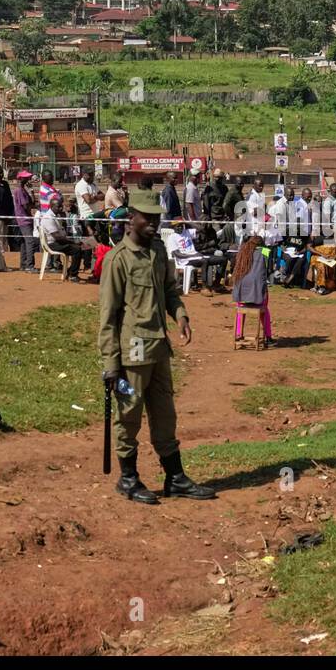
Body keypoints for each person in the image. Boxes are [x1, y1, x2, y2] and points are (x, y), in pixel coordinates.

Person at [98, 193, 213, 505]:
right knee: (129, 417)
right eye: (147, 218)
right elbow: (107, 317)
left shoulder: (159, 251)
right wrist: (110, 364)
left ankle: (175, 478)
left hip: (159, 348)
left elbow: (168, 290)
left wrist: (181, 316)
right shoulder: (118, 259)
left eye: (157, 219)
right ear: (131, 217)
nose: (153, 224)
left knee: (165, 416)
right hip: (132, 353)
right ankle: (129, 479)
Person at [231, 233, 274, 344]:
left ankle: (238, 334)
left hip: (241, 293)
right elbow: (269, 269)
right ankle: (268, 337)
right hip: (258, 292)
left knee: (240, 309)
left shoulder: (242, 252)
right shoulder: (265, 252)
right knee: (264, 310)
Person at [14, 171, 38, 272]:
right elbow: (27, 205)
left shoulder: (23, 190)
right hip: (24, 219)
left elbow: (32, 202)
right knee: (30, 241)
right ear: (20, 179)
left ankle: (24, 264)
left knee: (24, 242)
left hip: (25, 218)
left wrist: (31, 191)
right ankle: (29, 265)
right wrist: (32, 211)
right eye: (26, 178)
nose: (28, 179)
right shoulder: (19, 191)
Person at [321, 181, 336, 246]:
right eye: (335, 192)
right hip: (334, 226)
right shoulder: (329, 201)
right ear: (330, 191)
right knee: (335, 246)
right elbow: (326, 215)